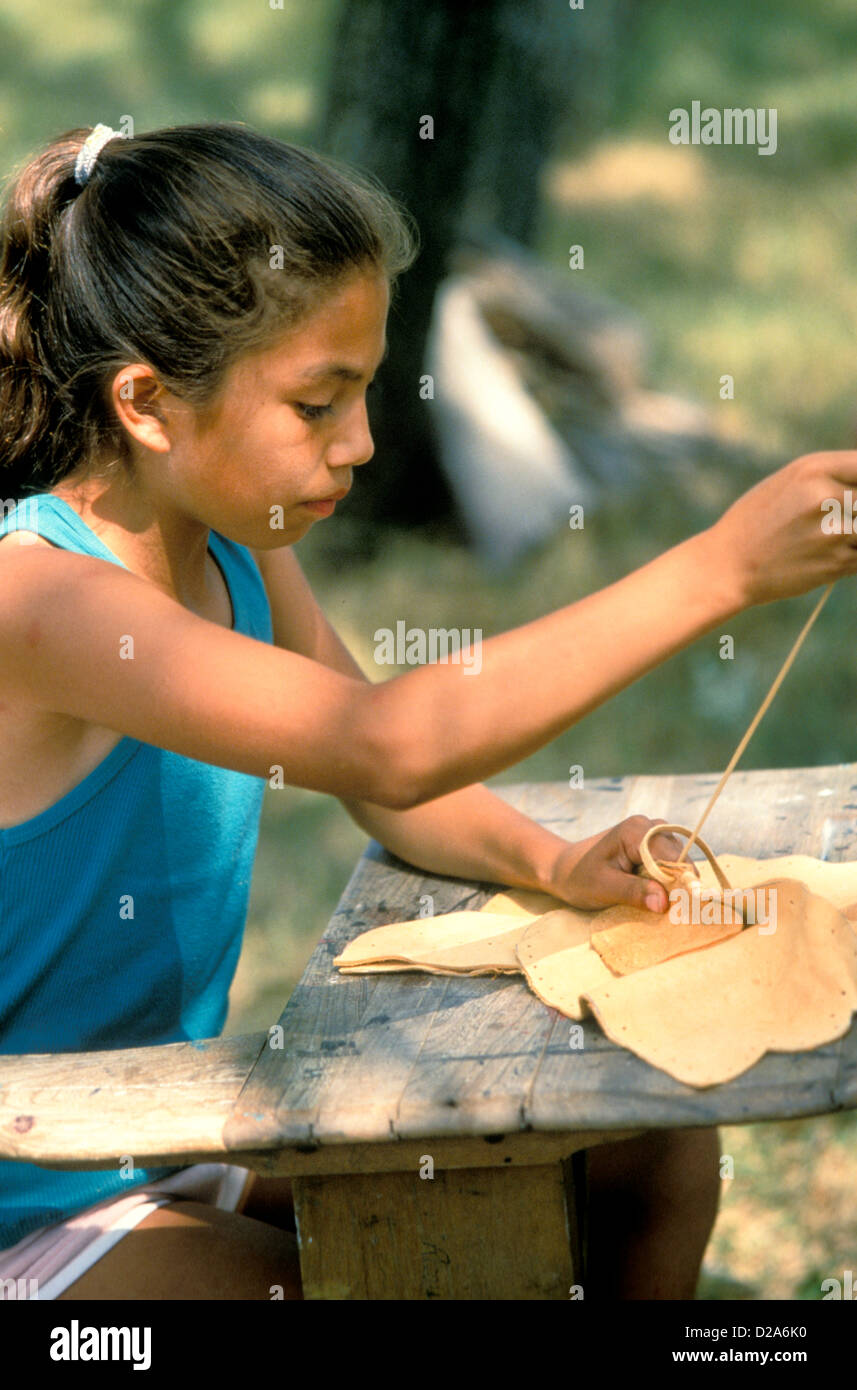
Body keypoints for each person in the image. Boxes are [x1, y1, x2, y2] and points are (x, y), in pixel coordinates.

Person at [0, 122, 854, 1302]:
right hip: (26, 1204)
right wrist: (718, 570)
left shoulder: (235, 554)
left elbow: (386, 785)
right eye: (317, 401)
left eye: (364, 391)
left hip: (162, 1151)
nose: (358, 443)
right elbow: (387, 738)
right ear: (146, 402)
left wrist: (554, 862)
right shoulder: (37, 599)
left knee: (638, 1143)